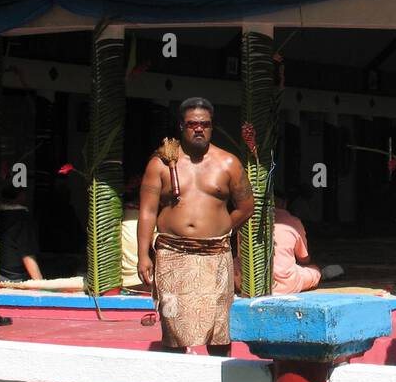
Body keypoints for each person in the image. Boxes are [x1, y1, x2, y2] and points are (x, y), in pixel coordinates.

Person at [138, 98, 255, 355]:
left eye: (205, 124)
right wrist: (142, 255)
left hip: (215, 257)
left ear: (212, 127)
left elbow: (247, 206)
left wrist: (224, 226)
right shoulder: (161, 163)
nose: (199, 129)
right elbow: (147, 211)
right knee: (173, 324)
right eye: (193, 124)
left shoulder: (229, 163)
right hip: (171, 255)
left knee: (219, 327)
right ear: (181, 126)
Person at [272, 194, 343, 293]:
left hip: (248, 284)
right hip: (283, 284)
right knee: (314, 270)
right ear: (284, 204)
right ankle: (321, 274)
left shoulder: (249, 219)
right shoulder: (292, 222)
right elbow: (304, 259)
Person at [0, 182, 42, 281]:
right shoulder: (22, 219)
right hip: (15, 278)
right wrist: (40, 282)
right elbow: (27, 253)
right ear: (21, 195)